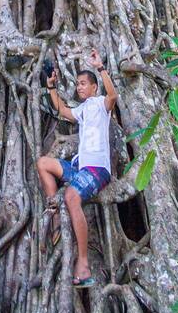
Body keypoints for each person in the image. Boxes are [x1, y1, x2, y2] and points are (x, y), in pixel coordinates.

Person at [36, 48, 117, 287]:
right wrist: (51, 87)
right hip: (81, 170)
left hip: (97, 170)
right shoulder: (82, 111)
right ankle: (55, 214)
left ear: (93, 87)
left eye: (83, 84)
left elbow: (113, 96)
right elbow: (61, 110)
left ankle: (83, 265)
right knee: (43, 163)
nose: (79, 87)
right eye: (78, 84)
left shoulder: (102, 104)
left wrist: (100, 68)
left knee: (72, 196)